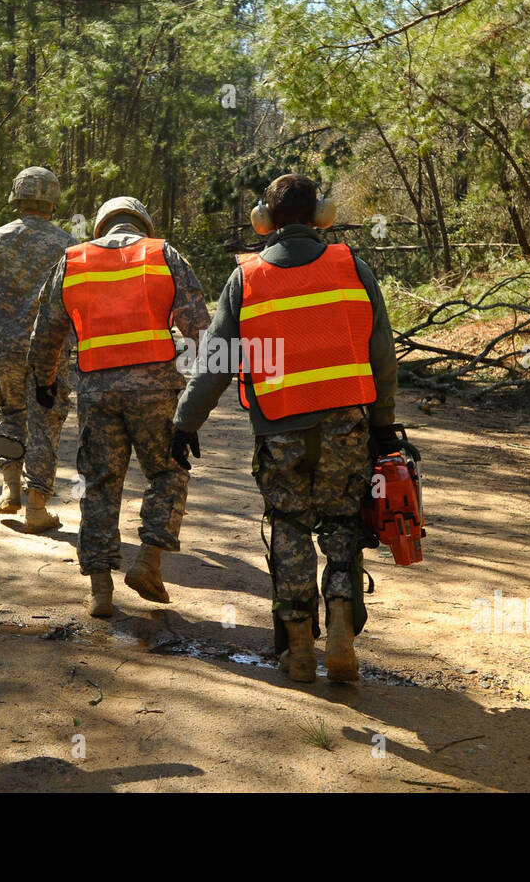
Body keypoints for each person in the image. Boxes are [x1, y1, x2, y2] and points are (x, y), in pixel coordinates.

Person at [170, 174, 399, 684]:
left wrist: (186, 422)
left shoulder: (248, 278)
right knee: (342, 524)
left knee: (290, 527)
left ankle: (298, 651)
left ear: (264, 220)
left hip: (280, 430)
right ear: (322, 217)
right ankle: (341, 621)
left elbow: (217, 361)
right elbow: (381, 354)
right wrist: (383, 427)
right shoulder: (351, 267)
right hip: (347, 425)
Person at [28, 196, 210, 617]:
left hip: (96, 392)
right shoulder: (162, 254)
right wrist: (198, 398)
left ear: (101, 226)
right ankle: (148, 560)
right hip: (157, 392)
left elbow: (47, 330)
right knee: (167, 472)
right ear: (143, 224)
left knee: (100, 483)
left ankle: (100, 591)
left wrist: (43, 380)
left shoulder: (72, 260)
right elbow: (201, 327)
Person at [0, 167, 76, 532]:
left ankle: (10, 489)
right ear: (53, 201)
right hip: (52, 349)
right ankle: (36, 507)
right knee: (46, 419)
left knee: (10, 410)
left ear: (18, 198)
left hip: (4, 347)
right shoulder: (69, 245)